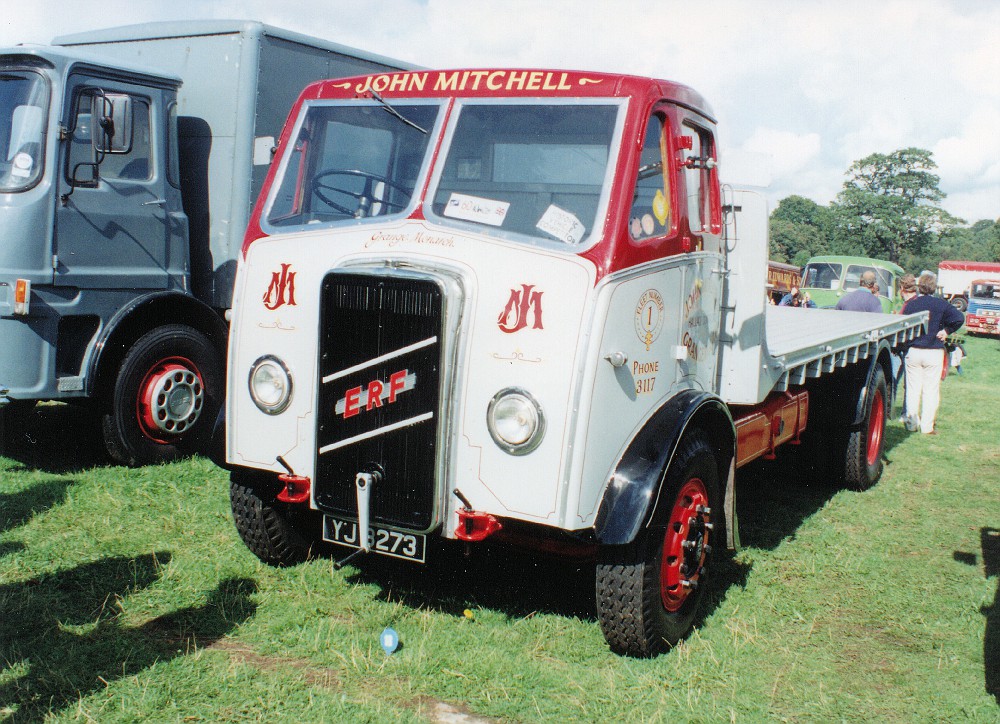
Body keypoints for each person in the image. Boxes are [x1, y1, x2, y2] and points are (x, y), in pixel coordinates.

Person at [901, 272, 965, 434]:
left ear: (919, 286)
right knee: (931, 390)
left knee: (913, 389)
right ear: (934, 287)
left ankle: (911, 424)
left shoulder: (911, 305)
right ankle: (927, 427)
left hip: (914, 350)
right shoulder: (941, 304)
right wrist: (946, 330)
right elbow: (959, 317)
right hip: (933, 351)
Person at [893, 274, 919, 421]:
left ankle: (905, 412)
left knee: (906, 383)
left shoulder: (910, 305)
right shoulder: (914, 302)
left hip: (907, 348)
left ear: (902, 288)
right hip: (908, 347)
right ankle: (904, 411)